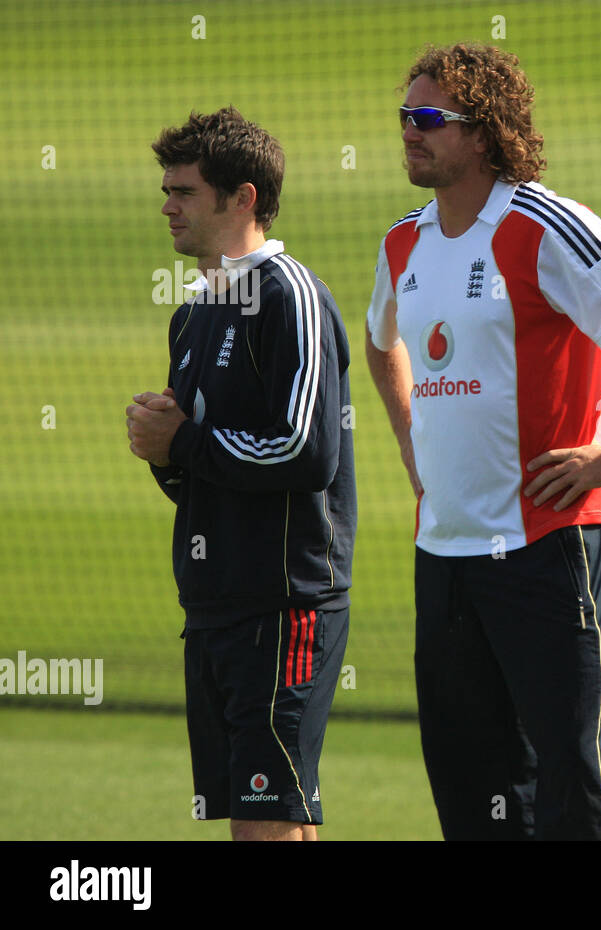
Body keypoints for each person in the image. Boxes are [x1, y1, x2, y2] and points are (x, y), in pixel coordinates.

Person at [365, 42, 601, 841]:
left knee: (571, 779)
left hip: (546, 543)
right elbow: (381, 343)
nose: (409, 132)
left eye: (428, 119)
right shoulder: (401, 242)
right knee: (469, 780)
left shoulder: (541, 222)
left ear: (481, 134)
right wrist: (411, 440)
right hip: (443, 552)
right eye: (404, 117)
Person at [126, 108, 355, 841]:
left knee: (266, 825)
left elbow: (306, 452)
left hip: (283, 603)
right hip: (215, 607)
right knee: (270, 819)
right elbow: (202, 472)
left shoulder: (289, 295)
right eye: (167, 189)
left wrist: (185, 443)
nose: (167, 206)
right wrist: (164, 453)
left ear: (243, 197)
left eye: (184, 191)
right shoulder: (192, 317)